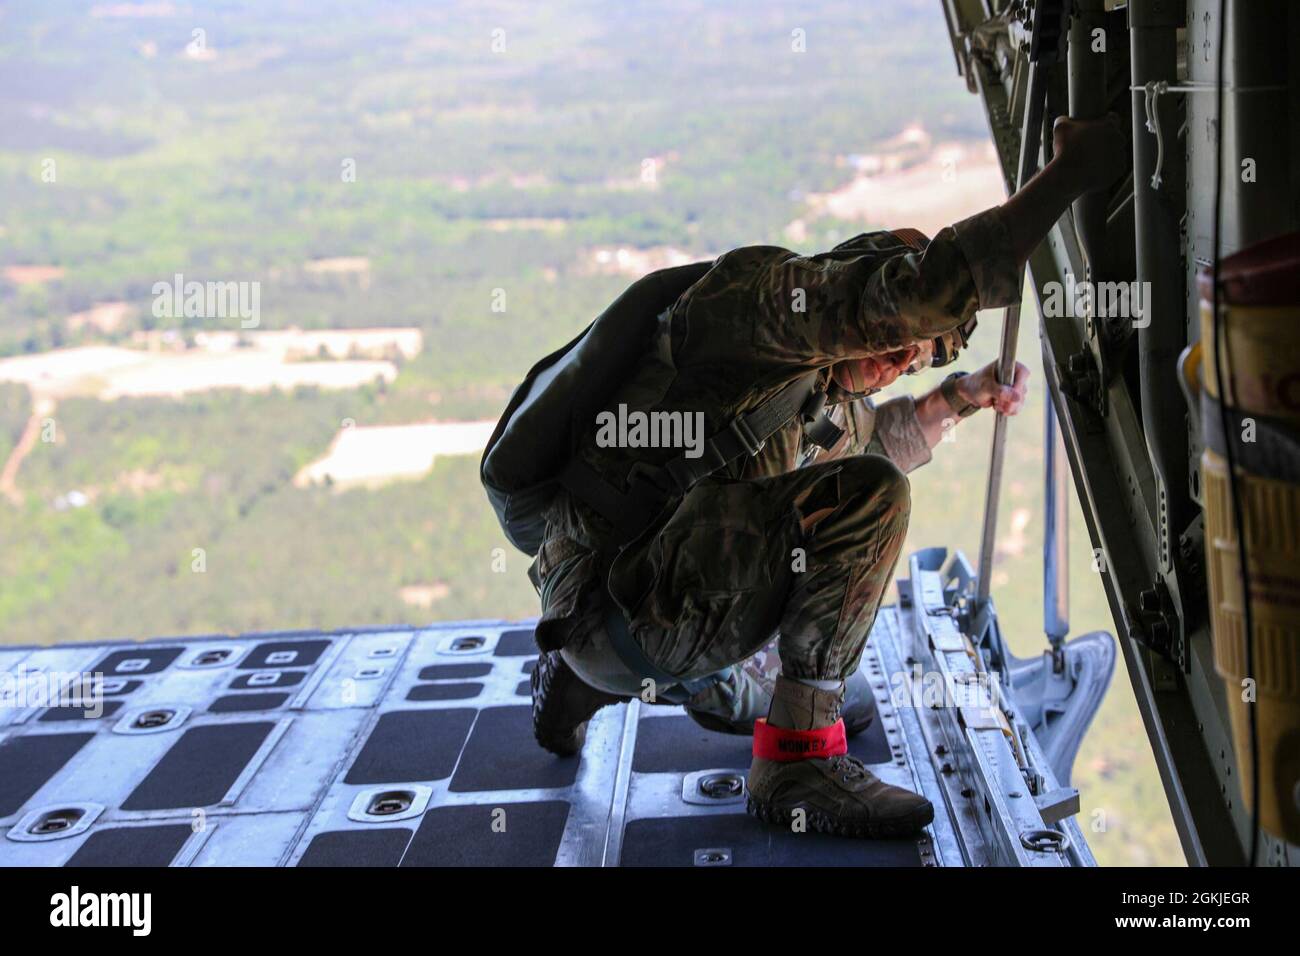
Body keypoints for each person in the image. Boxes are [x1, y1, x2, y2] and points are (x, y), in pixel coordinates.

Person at [527, 115, 1127, 837]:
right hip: (623, 594)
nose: (901, 362)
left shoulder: (823, 403)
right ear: (866, 286)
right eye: (901, 343)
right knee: (870, 504)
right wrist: (1065, 177)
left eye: (918, 360)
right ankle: (797, 765)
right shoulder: (759, 301)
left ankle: (582, 681)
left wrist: (957, 399)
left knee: (857, 693)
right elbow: (915, 298)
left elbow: (874, 439)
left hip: (624, 626)